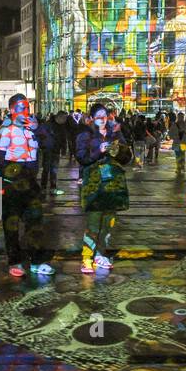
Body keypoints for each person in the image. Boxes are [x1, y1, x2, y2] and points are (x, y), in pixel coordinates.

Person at [0, 94, 54, 276]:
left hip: (31, 183)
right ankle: (15, 261)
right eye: (21, 108)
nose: (25, 112)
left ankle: (36, 260)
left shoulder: (32, 130)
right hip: (12, 183)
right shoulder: (4, 131)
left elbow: (50, 144)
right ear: (12, 110)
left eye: (27, 107)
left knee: (35, 222)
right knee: (11, 225)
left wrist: (39, 129)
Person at [75, 103, 130, 274]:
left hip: (112, 183)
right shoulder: (85, 135)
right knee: (93, 223)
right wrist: (99, 150)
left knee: (109, 222)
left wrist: (118, 145)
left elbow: (126, 157)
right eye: (98, 116)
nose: (102, 119)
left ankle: (100, 254)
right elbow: (81, 158)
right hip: (94, 184)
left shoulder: (114, 133)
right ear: (91, 118)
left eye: (104, 115)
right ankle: (86, 258)